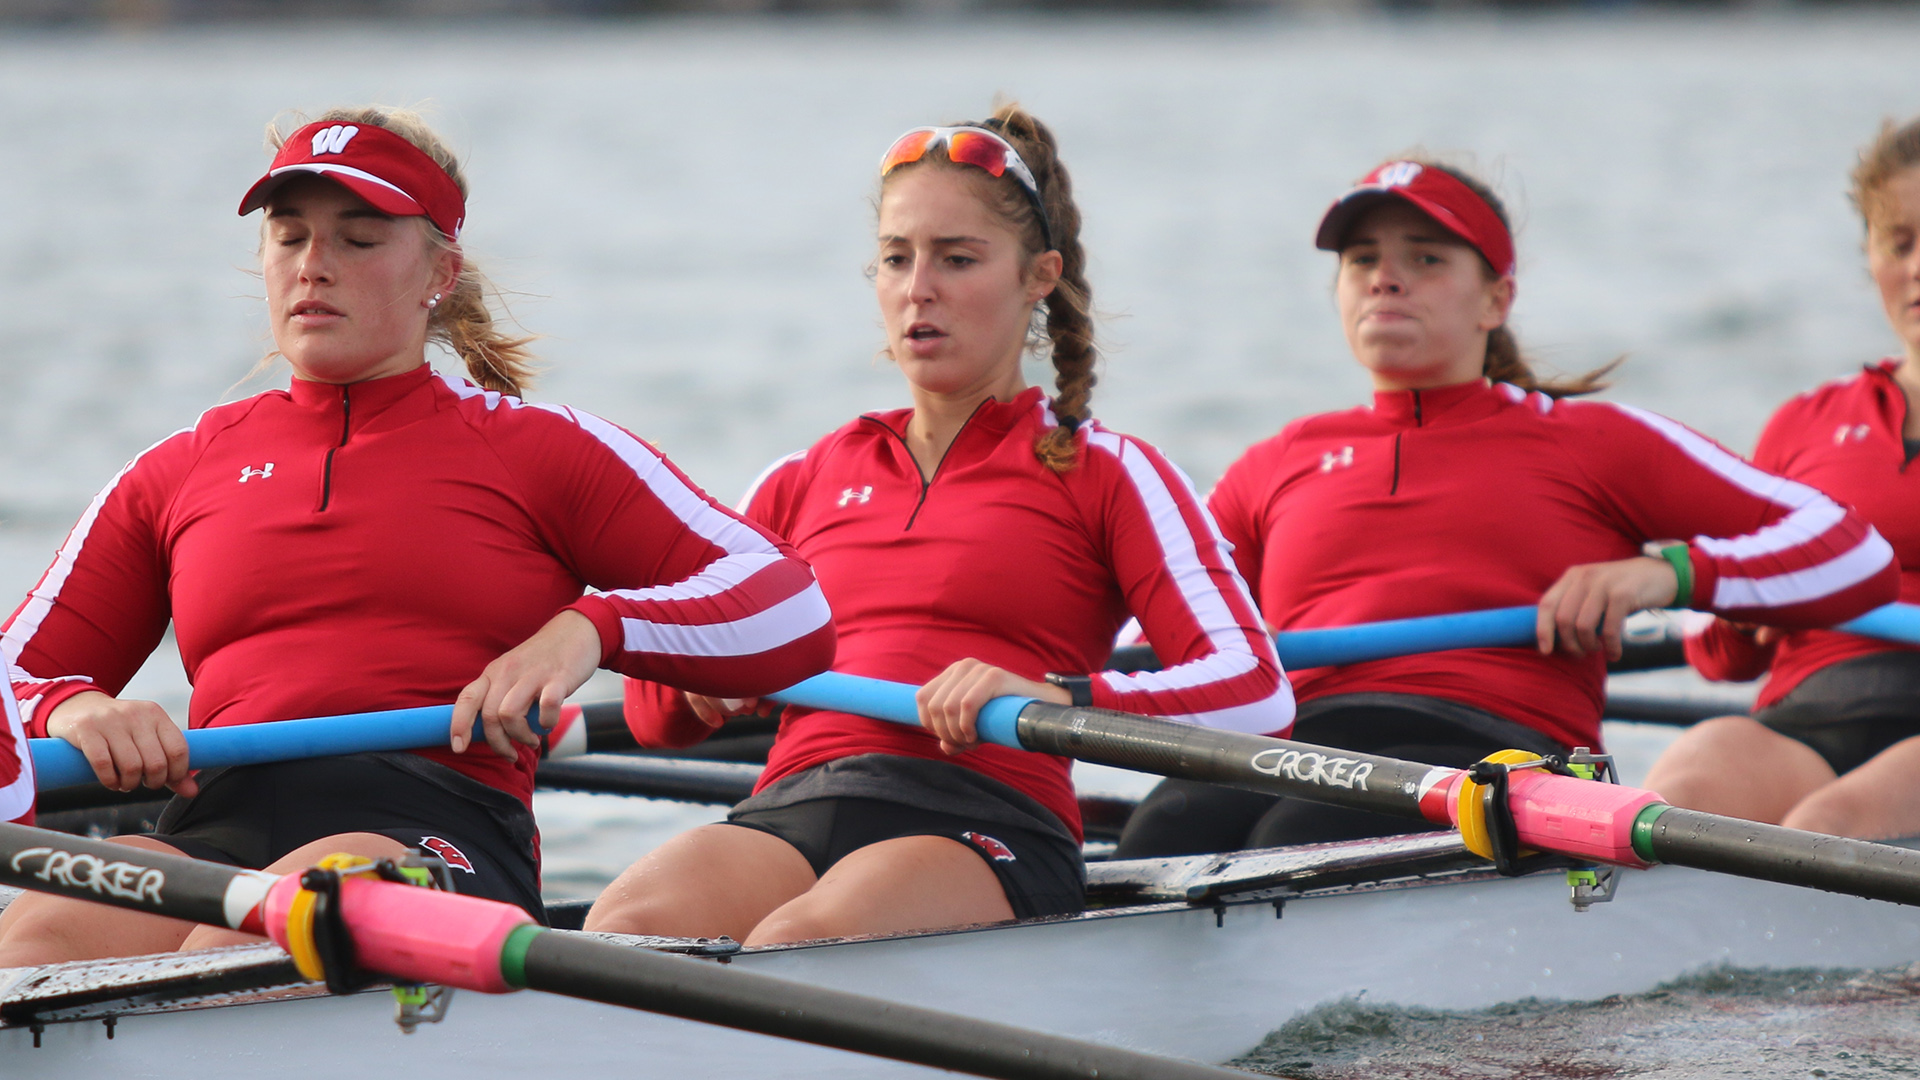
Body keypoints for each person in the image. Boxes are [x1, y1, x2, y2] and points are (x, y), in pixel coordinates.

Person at [0, 106, 834, 966]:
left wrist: (591, 629)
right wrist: (74, 707)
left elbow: (790, 610)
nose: (314, 265)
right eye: (289, 237)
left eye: (358, 239)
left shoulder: (539, 451)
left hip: (436, 829)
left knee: (267, 918)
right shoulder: (177, 470)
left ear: (441, 271)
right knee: (39, 929)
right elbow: (11, 675)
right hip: (215, 823)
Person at [584, 105, 1291, 946]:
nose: (919, 287)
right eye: (897, 257)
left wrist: (1056, 697)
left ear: (1038, 277)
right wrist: (697, 680)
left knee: (797, 943)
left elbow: (1256, 696)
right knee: (619, 929)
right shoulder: (799, 480)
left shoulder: (1108, 472)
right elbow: (653, 716)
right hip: (793, 802)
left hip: (984, 818)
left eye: (958, 259)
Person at [1114, 157, 1902, 859]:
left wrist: (1662, 577)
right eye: (1363, 260)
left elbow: (1852, 550)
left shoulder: (1592, 442)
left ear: (1497, 299)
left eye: (1425, 258)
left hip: (1493, 748)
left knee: (1294, 839)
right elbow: (1143, 635)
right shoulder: (1276, 461)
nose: (1386, 278)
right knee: (1163, 831)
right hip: (1303, 739)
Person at [1643, 118, 1920, 840]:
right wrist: (1742, 610)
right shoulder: (1804, 423)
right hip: (1810, 712)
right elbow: (1717, 654)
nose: (1918, 266)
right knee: (1671, 804)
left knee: (1825, 826)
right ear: (1870, 258)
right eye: (1900, 243)